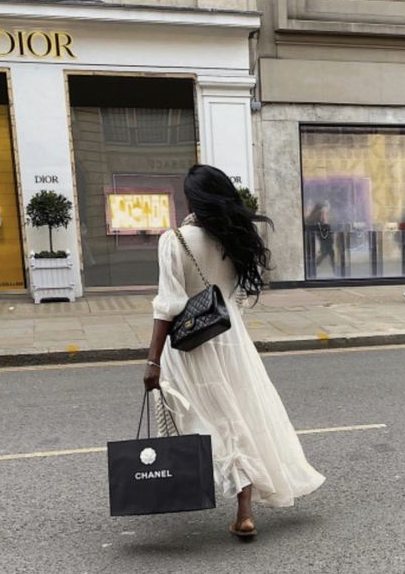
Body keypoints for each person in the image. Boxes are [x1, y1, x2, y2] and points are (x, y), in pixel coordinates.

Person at [144, 164, 325, 538]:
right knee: (239, 416)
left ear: (192, 198)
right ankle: (244, 507)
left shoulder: (175, 240)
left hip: (190, 346)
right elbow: (236, 298)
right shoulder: (234, 238)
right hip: (232, 339)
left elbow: (168, 305)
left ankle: (215, 487)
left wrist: (151, 360)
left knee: (207, 421)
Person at [305, 202, 335, 272]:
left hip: (323, 235)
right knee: (328, 252)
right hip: (324, 235)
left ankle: (316, 265)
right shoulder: (320, 212)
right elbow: (323, 222)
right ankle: (333, 268)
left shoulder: (314, 215)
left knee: (327, 252)